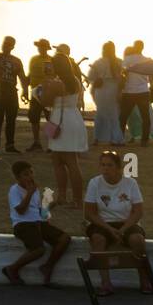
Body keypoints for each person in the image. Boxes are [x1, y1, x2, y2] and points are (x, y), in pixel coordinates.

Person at [83, 150, 149, 296]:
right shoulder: (95, 183)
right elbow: (89, 213)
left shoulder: (130, 183)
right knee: (98, 239)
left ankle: (145, 280)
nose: (105, 168)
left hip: (126, 222)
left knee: (137, 240)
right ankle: (106, 283)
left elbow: (138, 212)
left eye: (109, 165)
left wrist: (123, 229)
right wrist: (109, 229)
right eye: (102, 165)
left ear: (118, 167)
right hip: (103, 223)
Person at [3, 160, 69, 286]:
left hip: (38, 222)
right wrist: (29, 193)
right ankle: (12, 268)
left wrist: (55, 203)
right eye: (26, 174)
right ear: (17, 178)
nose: (30, 177)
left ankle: (47, 266)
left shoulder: (35, 190)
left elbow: (41, 212)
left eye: (31, 173)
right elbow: (21, 210)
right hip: (23, 224)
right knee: (39, 249)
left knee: (64, 239)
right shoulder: (14, 190)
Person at [47, 45, 88, 207]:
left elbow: (46, 101)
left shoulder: (57, 83)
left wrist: (44, 85)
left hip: (60, 120)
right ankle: (70, 198)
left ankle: (72, 198)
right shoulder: (76, 80)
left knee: (64, 162)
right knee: (68, 161)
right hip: (73, 117)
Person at [0, 36, 30, 153]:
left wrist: (25, 91)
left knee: (11, 121)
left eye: (8, 44)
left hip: (12, 93)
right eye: (4, 43)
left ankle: (10, 146)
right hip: (0, 93)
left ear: (12, 46)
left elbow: (22, 78)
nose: (5, 45)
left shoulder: (17, 61)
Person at [119, 41, 153, 146]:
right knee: (145, 117)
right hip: (143, 90)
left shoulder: (127, 60)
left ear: (134, 47)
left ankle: (120, 139)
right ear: (142, 47)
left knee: (123, 117)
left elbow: (121, 73)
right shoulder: (147, 60)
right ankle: (144, 140)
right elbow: (152, 75)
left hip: (129, 91)